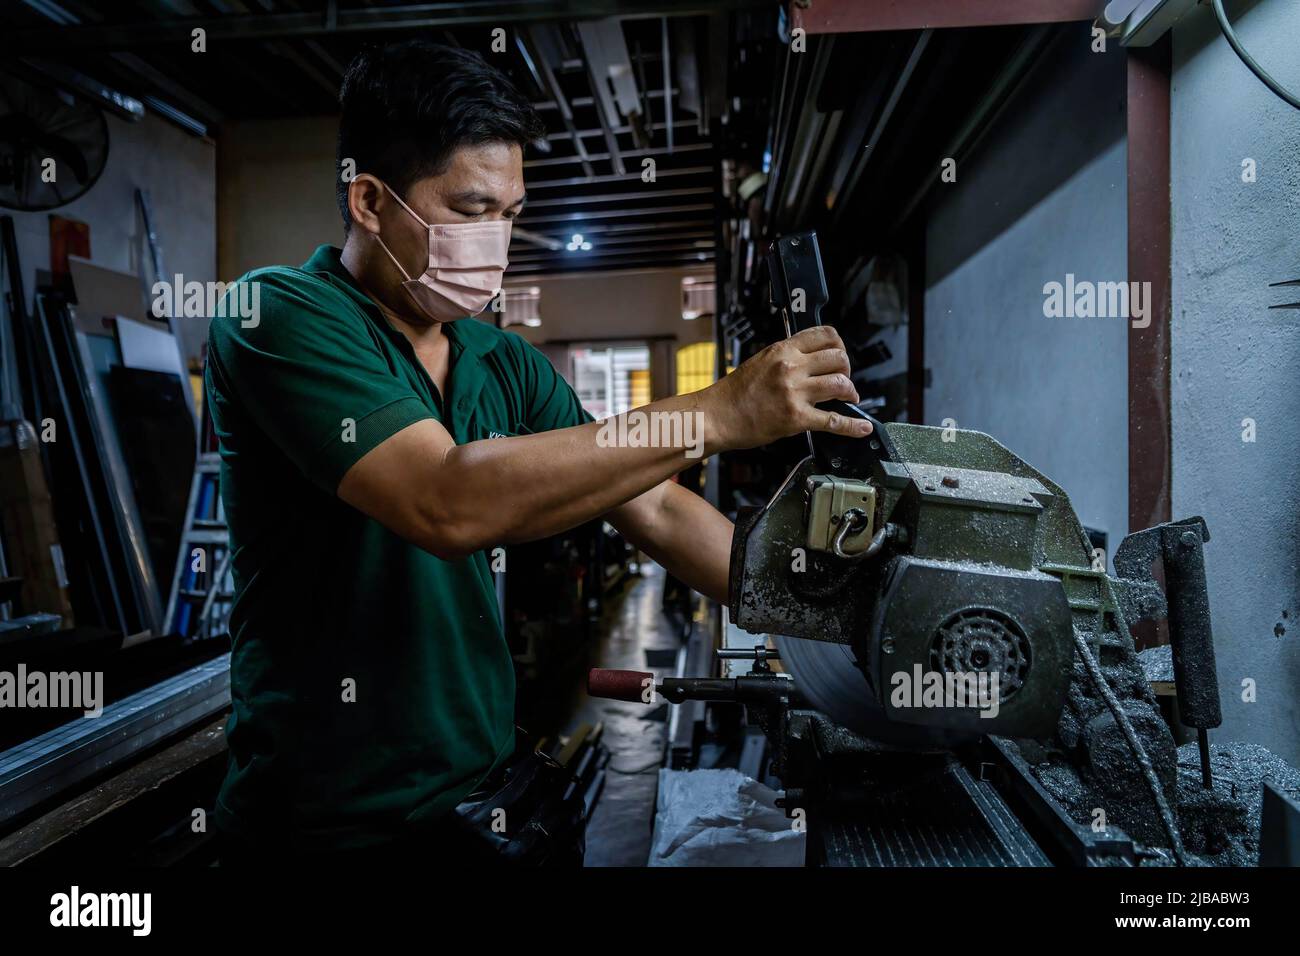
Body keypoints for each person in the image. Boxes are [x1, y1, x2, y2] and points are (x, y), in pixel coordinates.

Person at [205, 39, 869, 861]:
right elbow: (447, 500)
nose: (499, 239)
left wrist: (839, 616)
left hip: (474, 796)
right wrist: (722, 411)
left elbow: (653, 503)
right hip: (323, 824)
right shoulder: (277, 315)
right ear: (371, 200)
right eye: (473, 210)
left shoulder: (502, 362)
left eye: (512, 214)